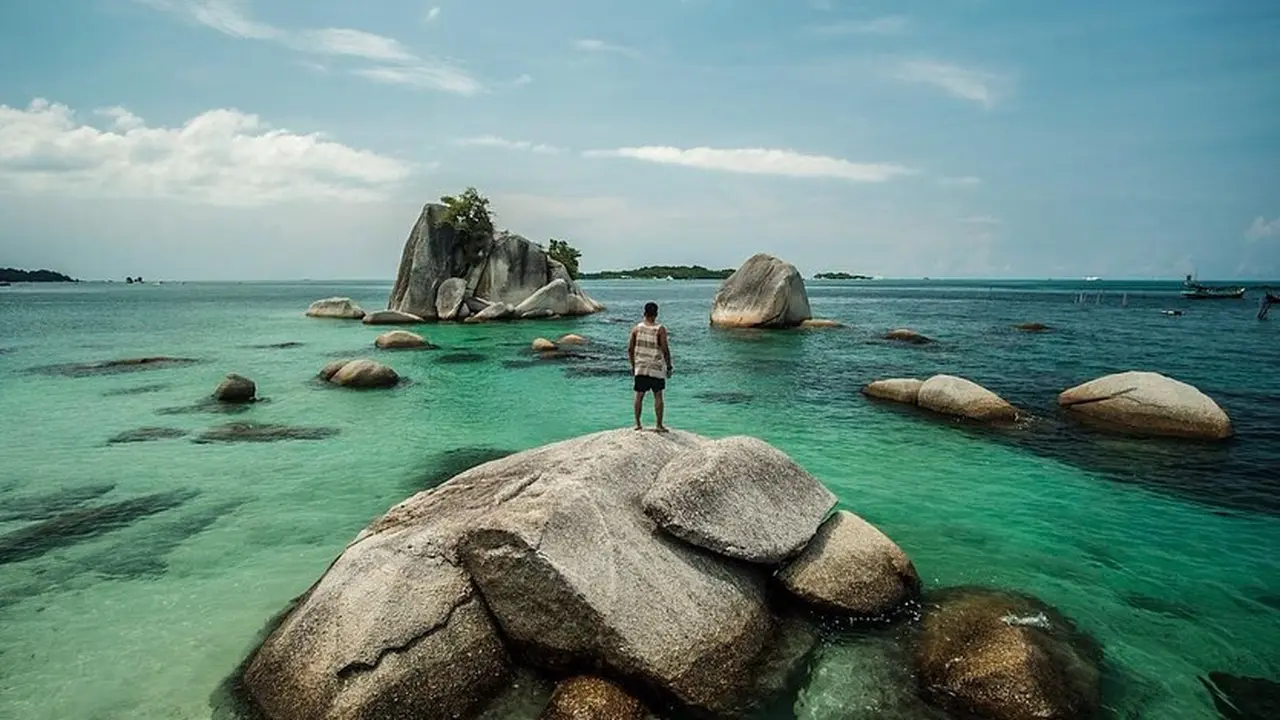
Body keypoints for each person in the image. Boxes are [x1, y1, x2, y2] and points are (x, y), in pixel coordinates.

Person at [628, 301, 673, 431]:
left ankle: (637, 424)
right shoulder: (660, 329)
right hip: (656, 367)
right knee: (658, 395)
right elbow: (665, 349)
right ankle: (659, 425)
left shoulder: (637, 328)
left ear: (644, 313)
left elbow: (630, 349)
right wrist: (669, 365)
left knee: (639, 395)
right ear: (656, 314)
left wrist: (633, 365)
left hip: (641, 366)